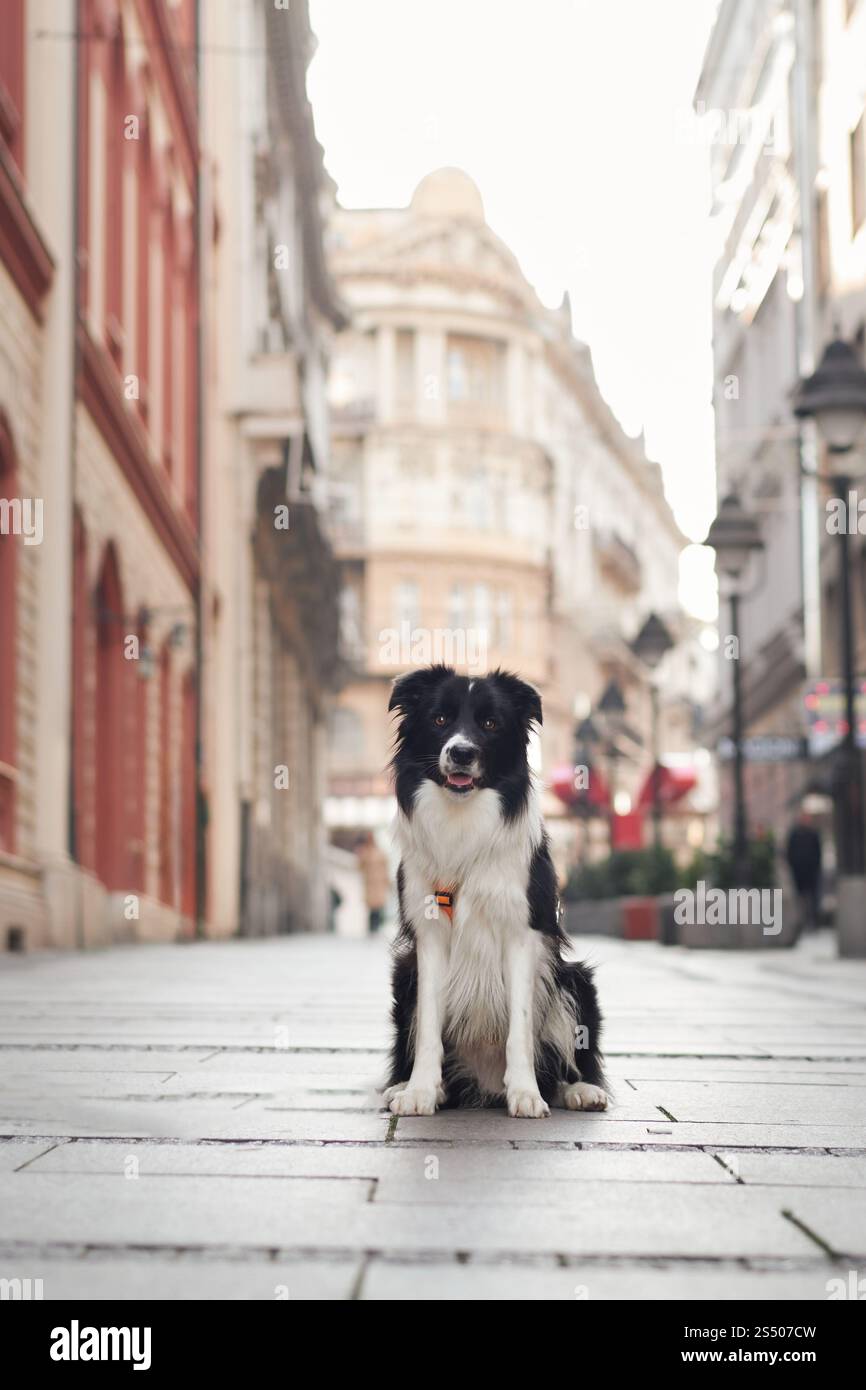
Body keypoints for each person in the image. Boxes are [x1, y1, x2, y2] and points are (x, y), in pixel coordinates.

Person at [785, 810, 822, 932]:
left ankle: (814, 922)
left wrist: (816, 866)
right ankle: (802, 922)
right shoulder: (794, 834)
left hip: (811, 871)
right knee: (800, 898)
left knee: (813, 897)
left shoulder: (813, 833)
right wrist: (793, 865)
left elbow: (818, 852)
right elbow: (788, 852)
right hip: (798, 871)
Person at [355, 831, 389, 934]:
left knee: (378, 906)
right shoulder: (364, 852)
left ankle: (377, 926)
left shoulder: (380, 852)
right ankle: (372, 927)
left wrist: (386, 880)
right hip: (370, 883)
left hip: (379, 882)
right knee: (372, 906)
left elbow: (385, 867)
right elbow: (359, 867)